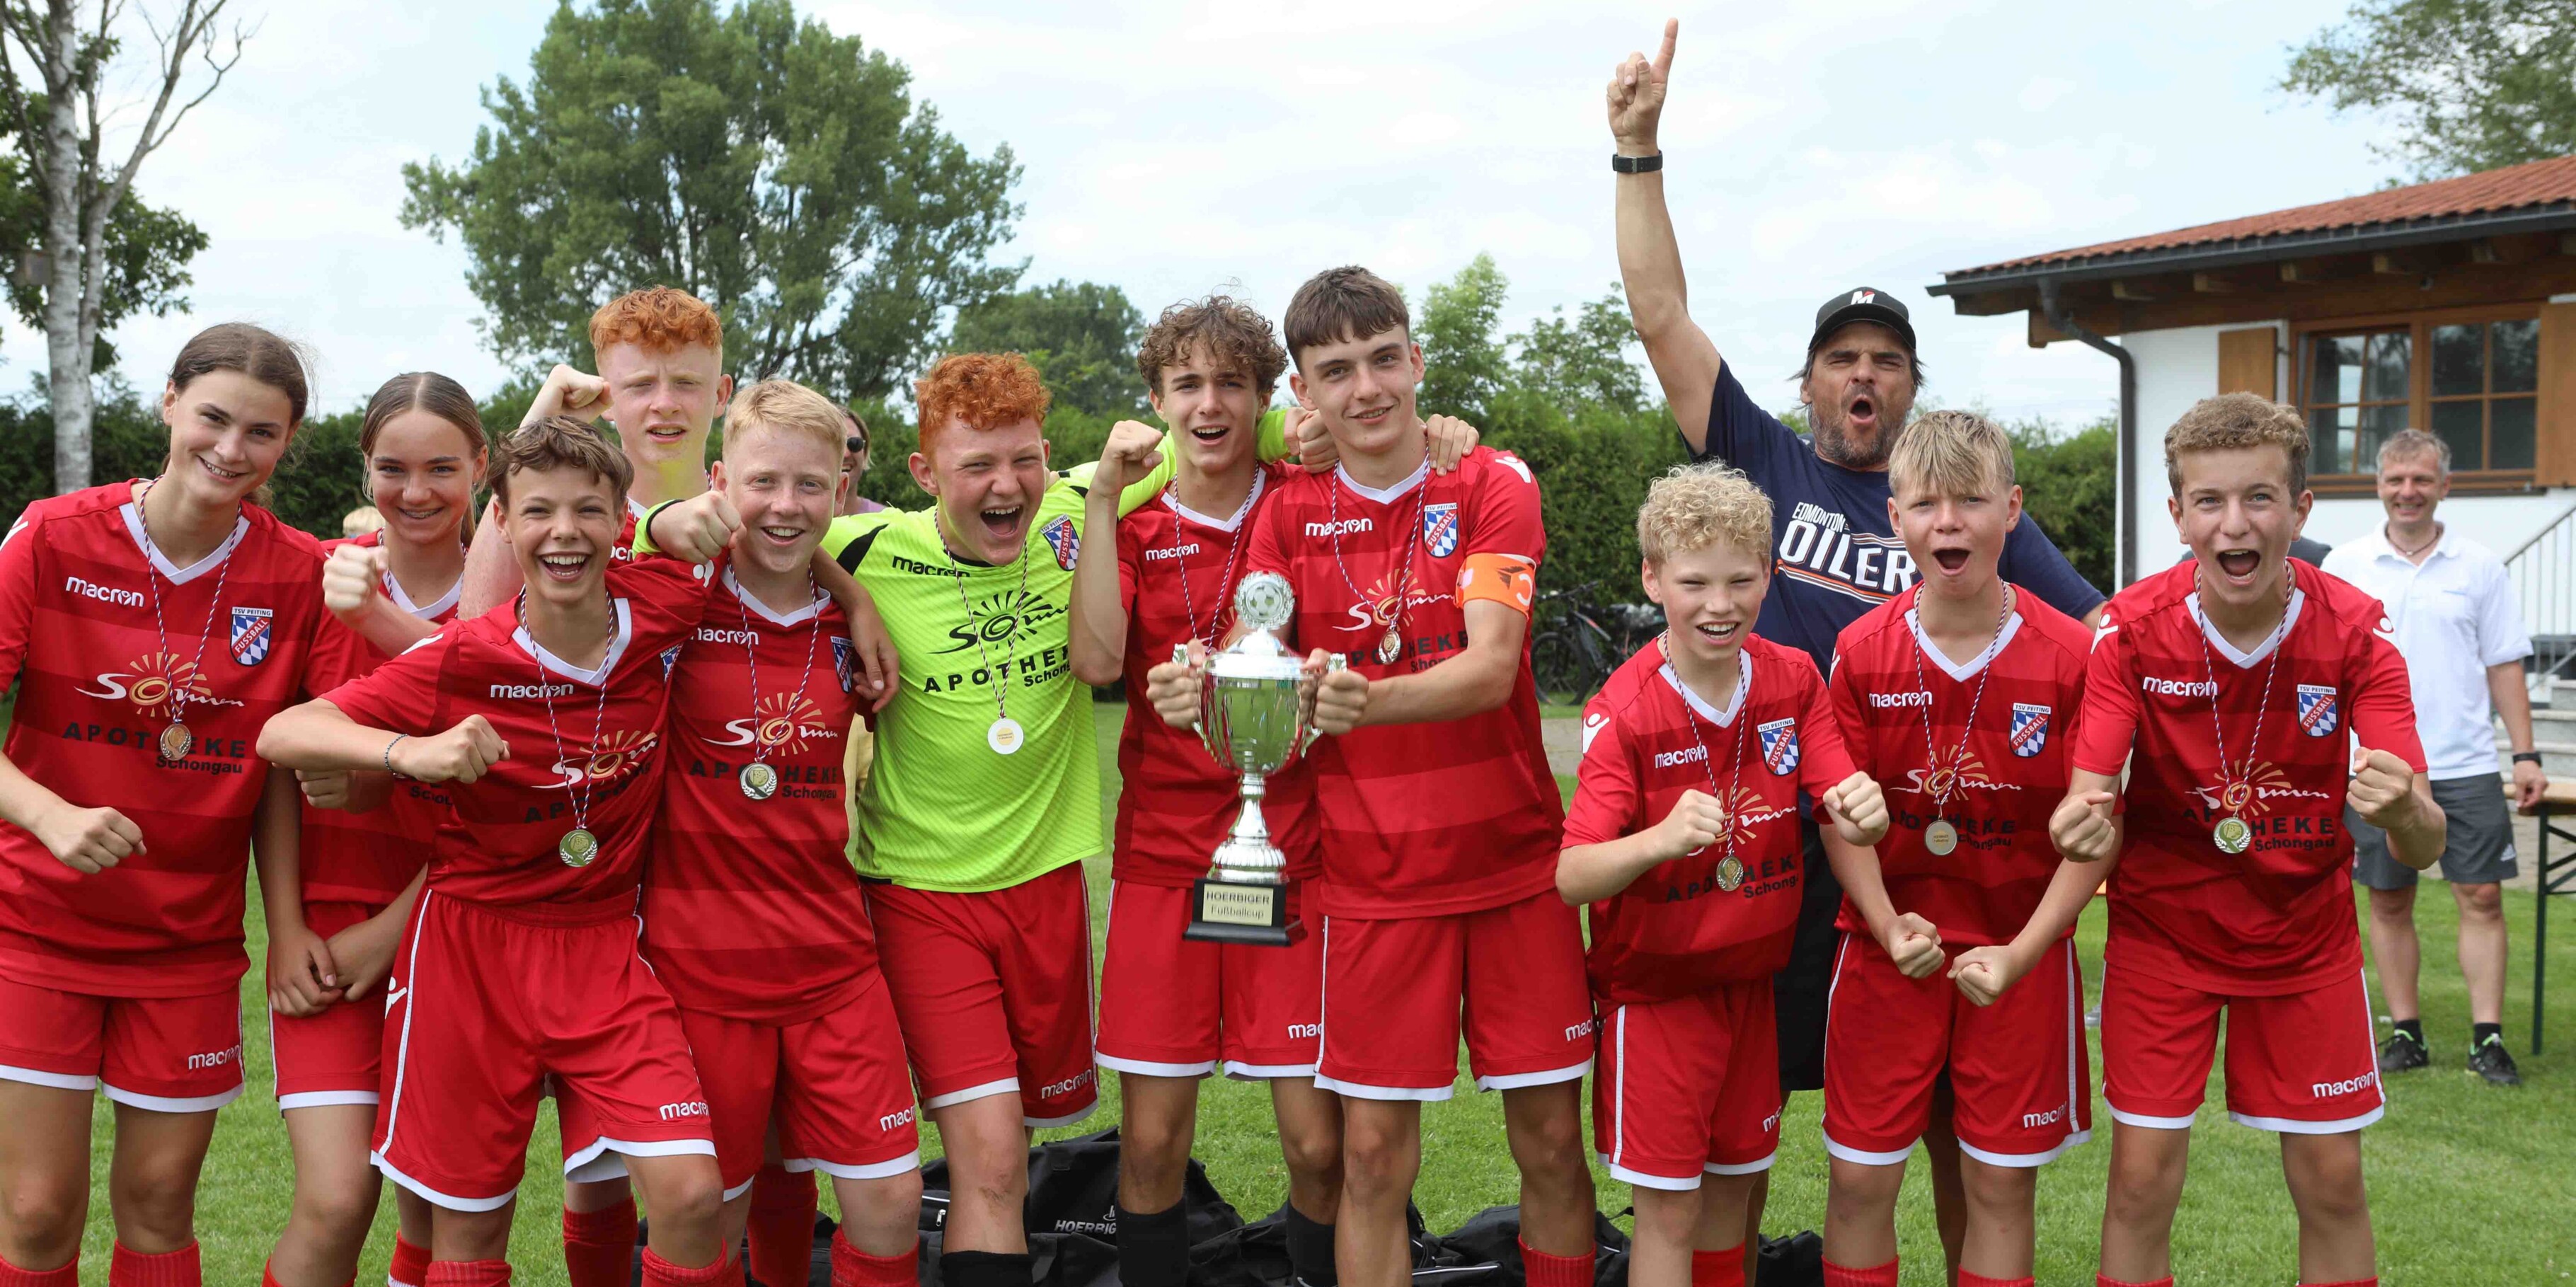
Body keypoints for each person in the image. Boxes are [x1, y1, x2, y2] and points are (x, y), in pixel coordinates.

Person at [1603, 19, 2108, 1269]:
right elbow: (1660, 311)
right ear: (1811, 381)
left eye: (1887, 359)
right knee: (1747, 1126)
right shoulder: (1762, 459)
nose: (1863, 375)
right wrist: (1638, 154)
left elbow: (2101, 629)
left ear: (1912, 388)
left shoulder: (1959, 509)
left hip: (1918, 843)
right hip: (1772, 835)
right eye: (1842, 359)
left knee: (1948, 1131)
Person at [645, 352, 1272, 1287]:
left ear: (1048, 459)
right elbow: (744, 529)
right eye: (975, 465)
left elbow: (1213, 436)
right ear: (925, 473)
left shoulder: (1077, 507)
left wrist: (1329, 426)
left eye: (1022, 460)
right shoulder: (868, 544)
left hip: (1049, 888)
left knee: (1011, 1148)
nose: (1004, 485)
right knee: (989, 1159)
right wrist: (830, 581)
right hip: (920, 896)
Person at [1144, 267, 1597, 1287]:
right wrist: (1201, 690)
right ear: (1303, 393)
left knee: (1550, 1147)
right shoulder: (1289, 513)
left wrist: (1365, 702)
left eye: (1384, 359)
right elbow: (1252, 666)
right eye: (1337, 371)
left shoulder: (1491, 482)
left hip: (1514, 870)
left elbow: (1491, 666)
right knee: (1374, 1159)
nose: (1367, 388)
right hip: (1374, 883)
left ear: (1416, 361)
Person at [258, 417, 736, 1287]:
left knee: (693, 1195)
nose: (564, 532)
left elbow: (770, 531)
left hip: (605, 948)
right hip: (469, 955)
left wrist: (844, 598)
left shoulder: (662, 608)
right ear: (504, 524)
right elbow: (286, 731)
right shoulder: (462, 656)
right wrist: (411, 753)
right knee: (468, 1233)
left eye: (588, 511)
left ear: (617, 523)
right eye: (539, 511)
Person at [2052, 393, 2443, 1287]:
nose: (2235, 523)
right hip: (2165, 938)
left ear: (2298, 511)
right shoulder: (2129, 634)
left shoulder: (2358, 630)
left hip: (2304, 940)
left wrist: (2401, 811)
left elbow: (2423, 842)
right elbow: (2089, 792)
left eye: (2259, 497)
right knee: (2140, 1180)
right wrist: (2079, 819)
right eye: (2210, 501)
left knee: (2333, 1181)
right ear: (2178, 515)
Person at [0, 323, 328, 1287]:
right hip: (35, 925)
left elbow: (279, 766)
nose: (231, 448)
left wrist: (289, 923)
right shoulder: (52, 535)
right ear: (170, 402)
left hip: (188, 942)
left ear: (287, 442)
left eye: (260, 432)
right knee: (35, 1209)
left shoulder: (300, 573)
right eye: (213, 417)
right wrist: (48, 814)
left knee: (156, 1199)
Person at [1068, 296, 1345, 1287]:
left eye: (1232, 382)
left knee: (1317, 1143)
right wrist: (1102, 505)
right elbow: (1096, 659)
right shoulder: (1135, 522)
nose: (1209, 403)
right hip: (1165, 855)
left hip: (1295, 849)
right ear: (1157, 399)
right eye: (1187, 383)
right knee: (1150, 1142)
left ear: (1265, 397)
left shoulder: (1310, 497)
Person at [1558, 462, 1888, 1287]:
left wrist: (1862, 806)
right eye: (1694, 582)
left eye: (1741, 580)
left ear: (1769, 574)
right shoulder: (1625, 710)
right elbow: (1572, 873)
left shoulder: (1792, 677)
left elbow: (1838, 791)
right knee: (1669, 1212)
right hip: (1657, 1000)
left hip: (1752, 989)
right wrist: (1656, 840)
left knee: (1734, 1200)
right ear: (1652, 579)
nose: (1720, 604)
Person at [633, 380, 924, 1287]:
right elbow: (570, 530)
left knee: (892, 1198)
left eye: (810, 485)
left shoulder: (863, 613)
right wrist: (661, 521)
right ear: (720, 482)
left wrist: (853, 594)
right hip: (699, 970)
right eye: (763, 482)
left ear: (842, 491)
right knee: (707, 1215)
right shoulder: (667, 602)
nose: (786, 506)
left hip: (834, 961)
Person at [1815, 412, 2095, 1287]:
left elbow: (2099, 831)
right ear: (1894, 517)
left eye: (1970, 500)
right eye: (1926, 503)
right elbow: (1836, 813)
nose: (1949, 522)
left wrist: (2025, 949)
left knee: (1999, 1189)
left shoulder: (2072, 653)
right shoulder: (1860, 649)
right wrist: (1883, 919)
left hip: (2019, 955)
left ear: (2010, 509)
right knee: (1859, 1182)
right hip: (1885, 949)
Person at [264, 374, 488, 1287]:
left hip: (464, 927)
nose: (417, 490)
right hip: (327, 927)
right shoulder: (320, 577)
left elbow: (520, 799)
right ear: (365, 467)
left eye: (443, 467)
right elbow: (275, 769)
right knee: (334, 1199)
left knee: (438, 1204)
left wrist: (395, 927)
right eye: (393, 467)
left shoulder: (519, 593)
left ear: (482, 466)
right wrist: (285, 926)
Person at [2321, 429, 2543, 1087]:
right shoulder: (2345, 564)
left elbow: (2504, 664)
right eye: (2396, 479)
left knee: (2482, 896)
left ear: (2445, 486)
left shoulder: (2480, 566)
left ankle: (2487, 1038)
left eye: (2421, 479)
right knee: (2389, 899)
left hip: (2465, 760)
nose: (2408, 491)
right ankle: (2406, 1032)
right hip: (2377, 766)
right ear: (2379, 486)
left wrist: (2525, 754)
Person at [459, 286, 730, 620]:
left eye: (686, 383)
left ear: (721, 395)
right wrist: (534, 429)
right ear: (607, 398)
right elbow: (475, 620)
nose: (665, 404)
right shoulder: (575, 522)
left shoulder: (750, 515)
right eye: (641, 385)